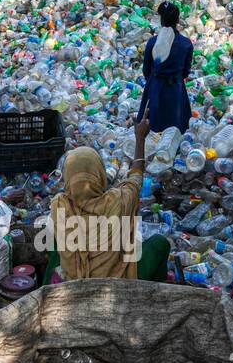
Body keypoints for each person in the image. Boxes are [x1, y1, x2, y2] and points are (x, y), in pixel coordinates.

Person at [44, 112, 171, 283]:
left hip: (73, 281)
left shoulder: (59, 204)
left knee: (54, 241)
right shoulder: (118, 200)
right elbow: (136, 177)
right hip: (115, 282)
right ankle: (152, 295)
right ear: (100, 175)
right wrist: (140, 138)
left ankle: (46, 288)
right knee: (159, 243)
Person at [136, 1, 193, 134]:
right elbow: (186, 71)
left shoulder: (152, 42)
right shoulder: (186, 44)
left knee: (152, 126)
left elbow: (146, 70)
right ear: (178, 20)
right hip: (176, 88)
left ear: (161, 20)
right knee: (175, 126)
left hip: (156, 87)